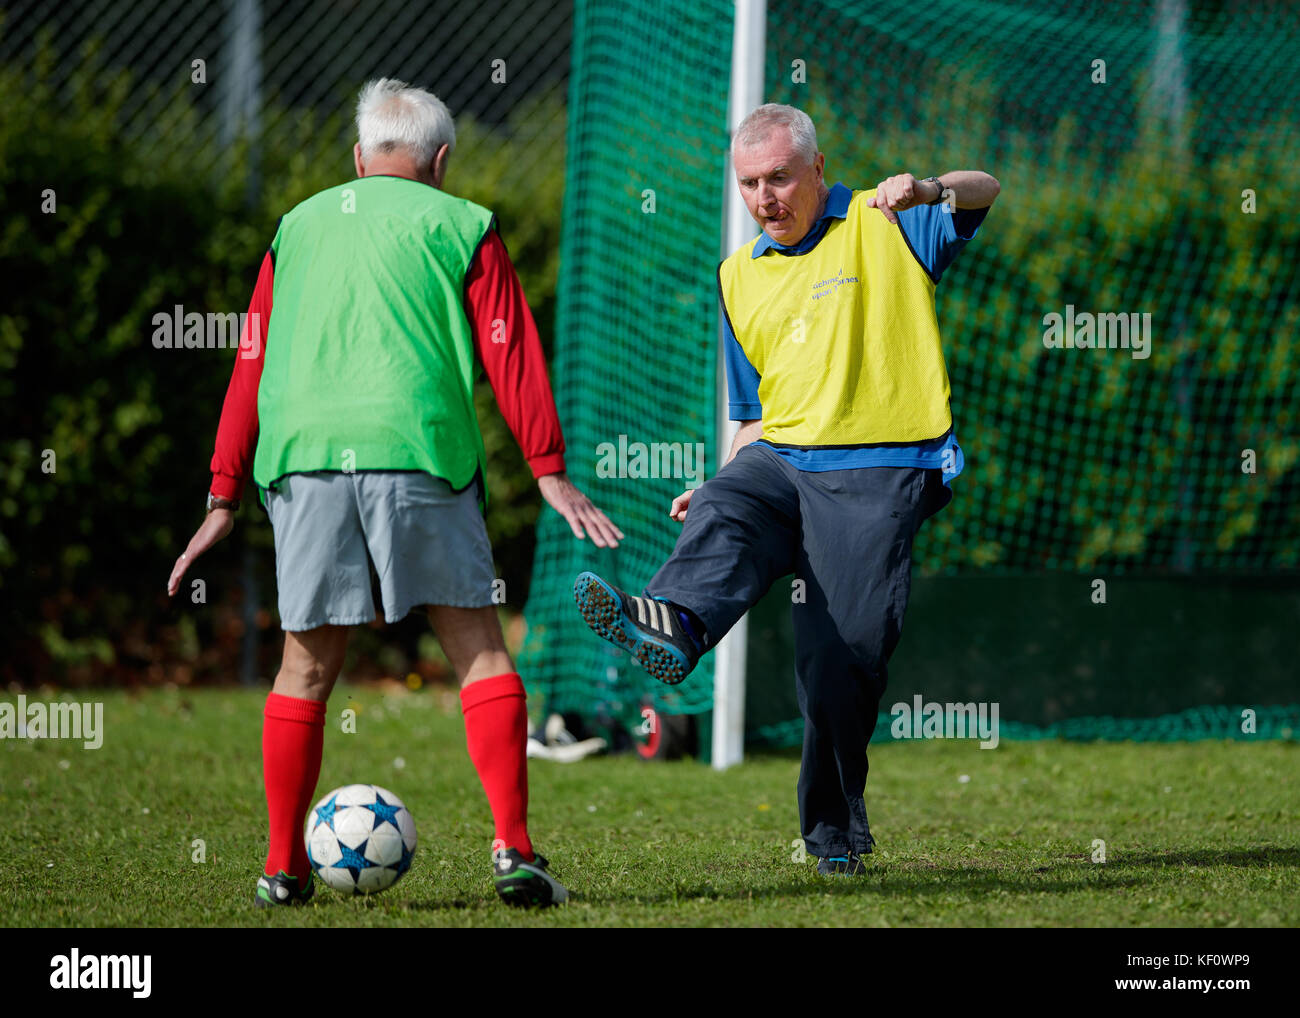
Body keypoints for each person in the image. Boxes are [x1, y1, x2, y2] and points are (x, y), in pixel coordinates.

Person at [167, 78, 622, 908]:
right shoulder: (463, 223)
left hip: (303, 459)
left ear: (358, 158)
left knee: (304, 667)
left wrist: (223, 491)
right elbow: (509, 348)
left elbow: (251, 357)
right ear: (440, 161)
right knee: (478, 649)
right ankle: (514, 851)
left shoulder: (296, 226)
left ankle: (282, 868)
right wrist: (548, 468)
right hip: (417, 450)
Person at [574, 103, 998, 874]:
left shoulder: (888, 221)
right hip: (781, 459)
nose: (765, 198)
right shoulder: (737, 275)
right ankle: (675, 621)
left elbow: (987, 188)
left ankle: (834, 836)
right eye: (749, 184)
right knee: (724, 501)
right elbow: (753, 415)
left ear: (818, 169)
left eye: (779, 177)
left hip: (879, 468)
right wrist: (720, 478)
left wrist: (931, 188)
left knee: (842, 663)